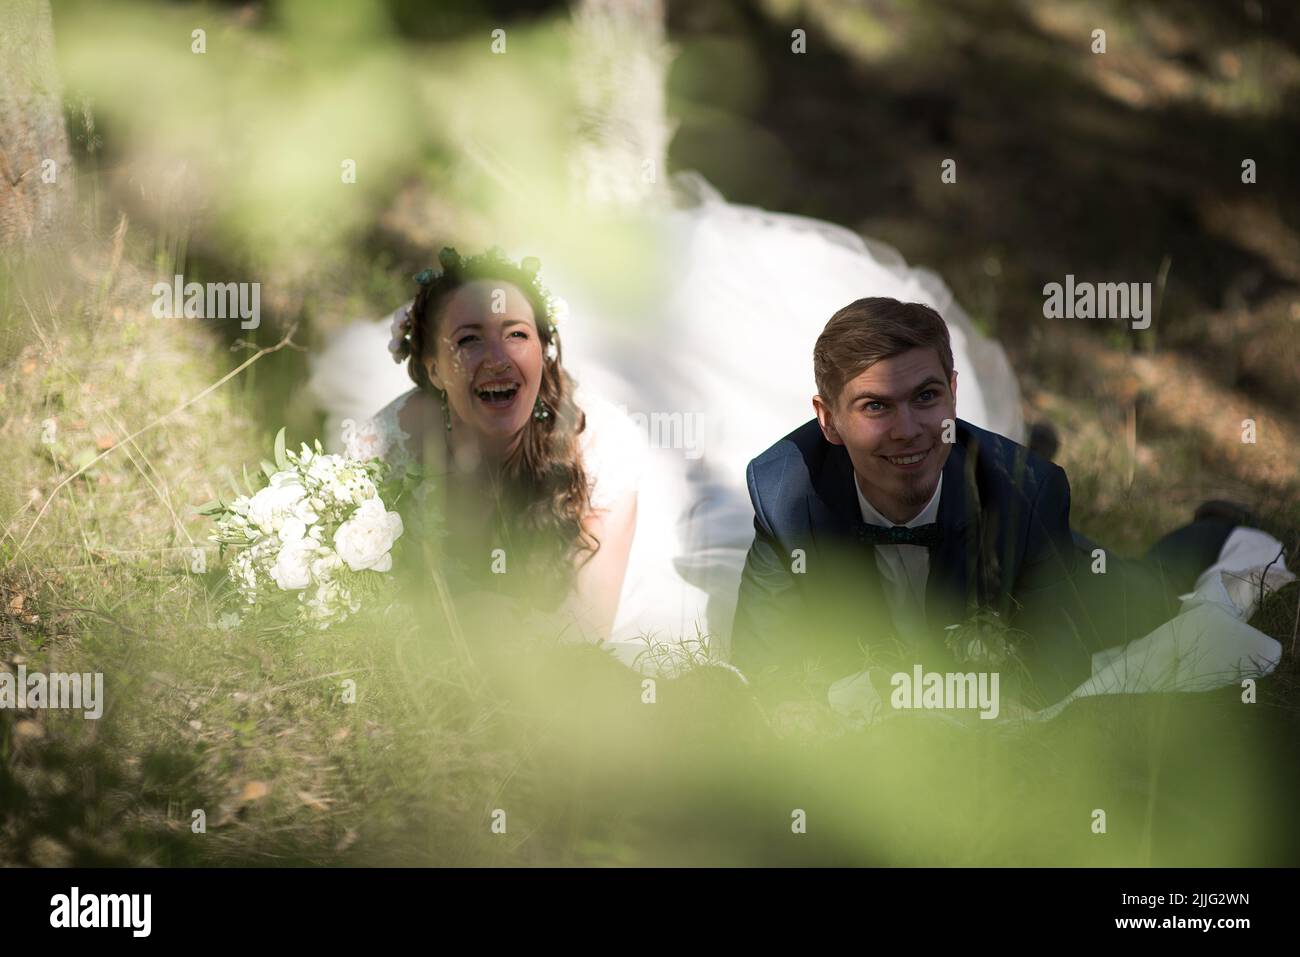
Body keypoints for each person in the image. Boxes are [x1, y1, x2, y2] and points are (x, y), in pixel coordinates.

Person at [728, 297, 1262, 707]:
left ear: (954, 393)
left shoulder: (1031, 491)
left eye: (926, 397)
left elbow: (1052, 673)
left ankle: (1215, 527)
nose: (909, 430)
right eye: (875, 407)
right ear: (828, 421)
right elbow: (762, 663)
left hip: (1025, 534)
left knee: (1151, 598)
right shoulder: (783, 495)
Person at [341, 247, 643, 646]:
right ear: (434, 369)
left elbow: (587, 631)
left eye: (517, 334)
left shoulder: (601, 449)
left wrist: (493, 627)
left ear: (544, 350)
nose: (498, 360)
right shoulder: (388, 446)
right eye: (469, 340)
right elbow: (362, 612)